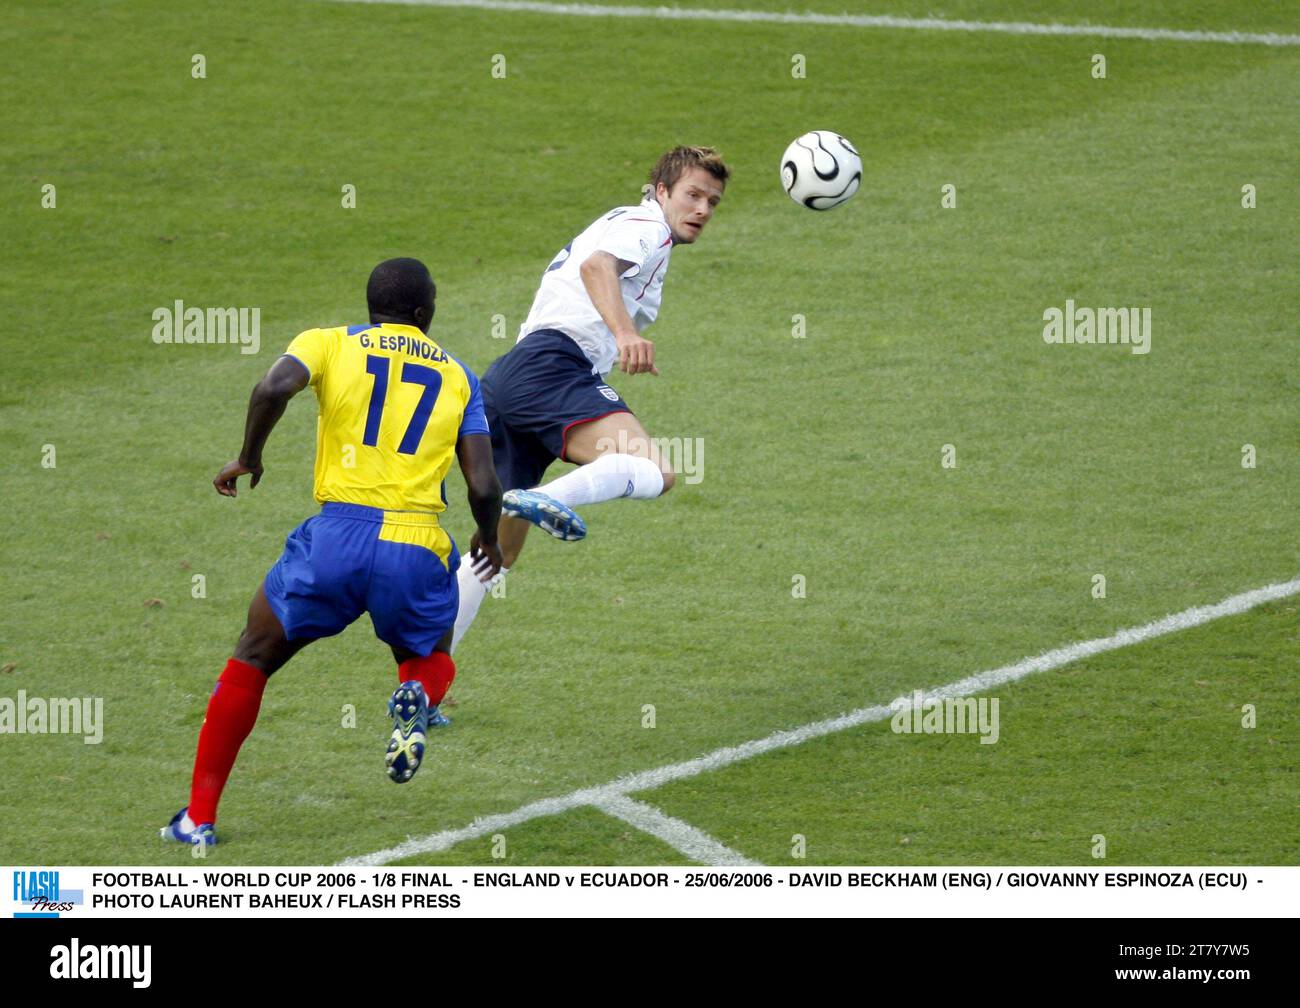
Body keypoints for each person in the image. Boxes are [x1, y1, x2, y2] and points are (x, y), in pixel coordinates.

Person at [162, 258, 507, 847]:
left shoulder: (326, 342)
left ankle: (199, 818)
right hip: (415, 544)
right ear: (423, 312)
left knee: (253, 655)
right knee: (430, 654)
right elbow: (482, 484)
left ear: (372, 306)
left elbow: (273, 387)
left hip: (334, 541)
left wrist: (249, 457)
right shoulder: (459, 376)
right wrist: (489, 537)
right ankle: (419, 697)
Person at [452, 145, 729, 651]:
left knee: (494, 554)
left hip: (510, 379)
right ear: (661, 191)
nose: (702, 210)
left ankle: (423, 680)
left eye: (712, 202)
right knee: (657, 470)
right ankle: (549, 499)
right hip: (552, 366)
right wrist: (625, 334)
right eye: (693, 195)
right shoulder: (647, 225)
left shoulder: (623, 223)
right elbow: (597, 268)